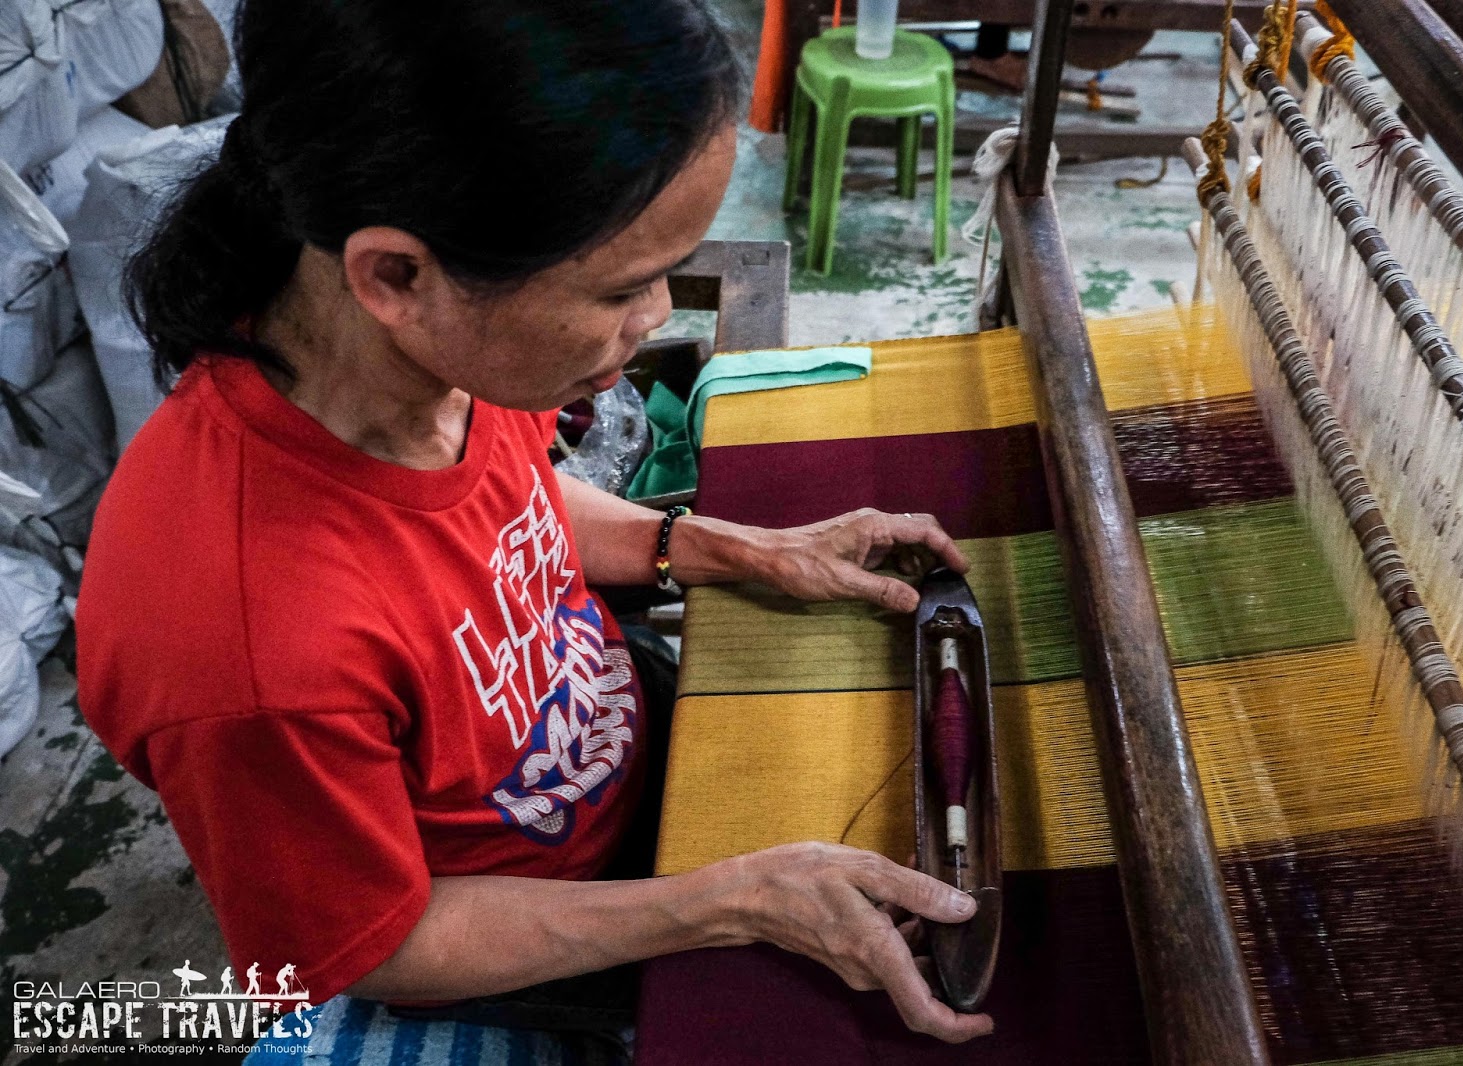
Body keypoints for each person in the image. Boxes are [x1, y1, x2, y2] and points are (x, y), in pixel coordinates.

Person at [76, 0, 993, 1049]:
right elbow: (383, 942)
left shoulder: (429, 359)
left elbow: (499, 502)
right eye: (620, 286)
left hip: (607, 743)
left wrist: (711, 545)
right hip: (506, 930)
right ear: (398, 277)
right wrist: (725, 899)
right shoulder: (244, 643)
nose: (655, 317)